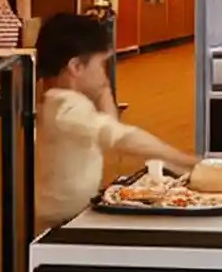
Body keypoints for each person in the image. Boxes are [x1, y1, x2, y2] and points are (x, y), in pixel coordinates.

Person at [34, 12, 198, 227]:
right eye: (101, 65)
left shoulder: (56, 100)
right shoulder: (67, 108)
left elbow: (110, 127)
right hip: (64, 221)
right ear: (76, 67)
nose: (104, 73)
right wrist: (187, 160)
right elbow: (122, 137)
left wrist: (103, 92)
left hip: (73, 212)